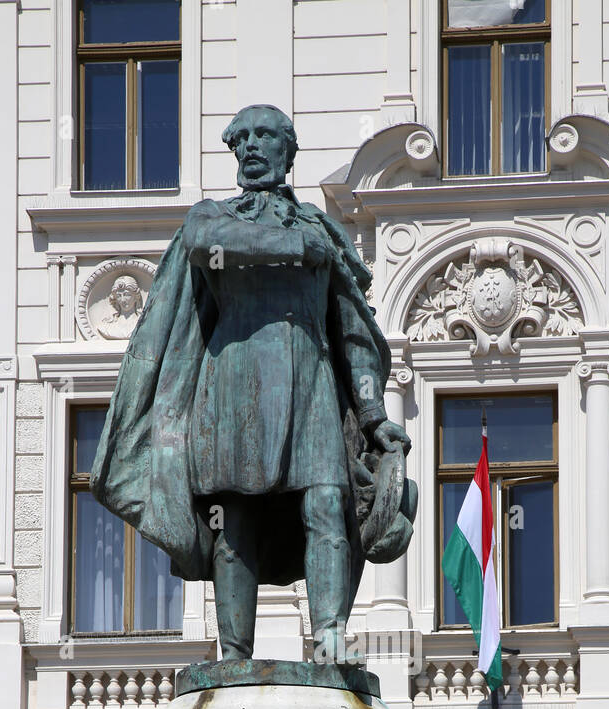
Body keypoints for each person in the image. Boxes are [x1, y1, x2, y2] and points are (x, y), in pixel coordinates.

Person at [90, 103, 414, 662]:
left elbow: (353, 336)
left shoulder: (320, 229)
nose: (253, 147)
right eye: (242, 139)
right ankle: (234, 656)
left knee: (326, 506)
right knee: (232, 520)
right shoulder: (213, 217)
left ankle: (331, 639)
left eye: (266, 137)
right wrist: (296, 249)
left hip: (310, 384)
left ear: (289, 151)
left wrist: (372, 414)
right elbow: (202, 242)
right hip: (231, 383)